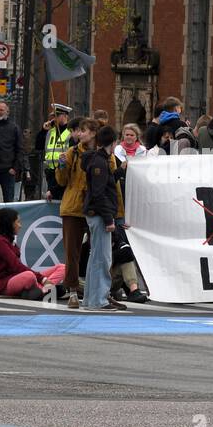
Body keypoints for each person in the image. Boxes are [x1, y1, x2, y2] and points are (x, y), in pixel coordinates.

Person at [80, 125, 128, 311]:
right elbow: (99, 194)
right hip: (100, 215)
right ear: (113, 143)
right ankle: (99, 299)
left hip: (95, 214)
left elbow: (103, 185)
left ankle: (91, 299)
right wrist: (109, 219)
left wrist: (118, 172)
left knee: (95, 258)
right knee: (103, 258)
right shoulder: (100, 163)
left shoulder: (98, 160)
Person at [56, 117, 98, 306]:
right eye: (79, 130)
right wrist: (62, 165)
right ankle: (72, 290)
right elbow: (62, 181)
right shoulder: (72, 152)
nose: (80, 134)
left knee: (98, 251)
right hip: (73, 207)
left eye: (84, 130)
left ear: (94, 133)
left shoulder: (103, 154)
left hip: (95, 207)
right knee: (72, 252)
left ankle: (98, 289)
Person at [0, 207, 66, 299]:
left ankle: (43, 291)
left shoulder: (9, 240)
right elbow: (16, 265)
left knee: (62, 268)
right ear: (8, 224)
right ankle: (46, 291)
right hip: (3, 284)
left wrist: (41, 278)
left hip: (16, 277)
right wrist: (42, 279)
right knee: (29, 276)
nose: (20, 225)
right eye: (17, 222)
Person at [38, 103, 72, 200]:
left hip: (63, 172)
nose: (54, 119)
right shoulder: (50, 131)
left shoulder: (70, 132)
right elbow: (38, 146)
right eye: (53, 116)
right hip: (50, 173)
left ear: (65, 116)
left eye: (57, 116)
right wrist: (43, 131)